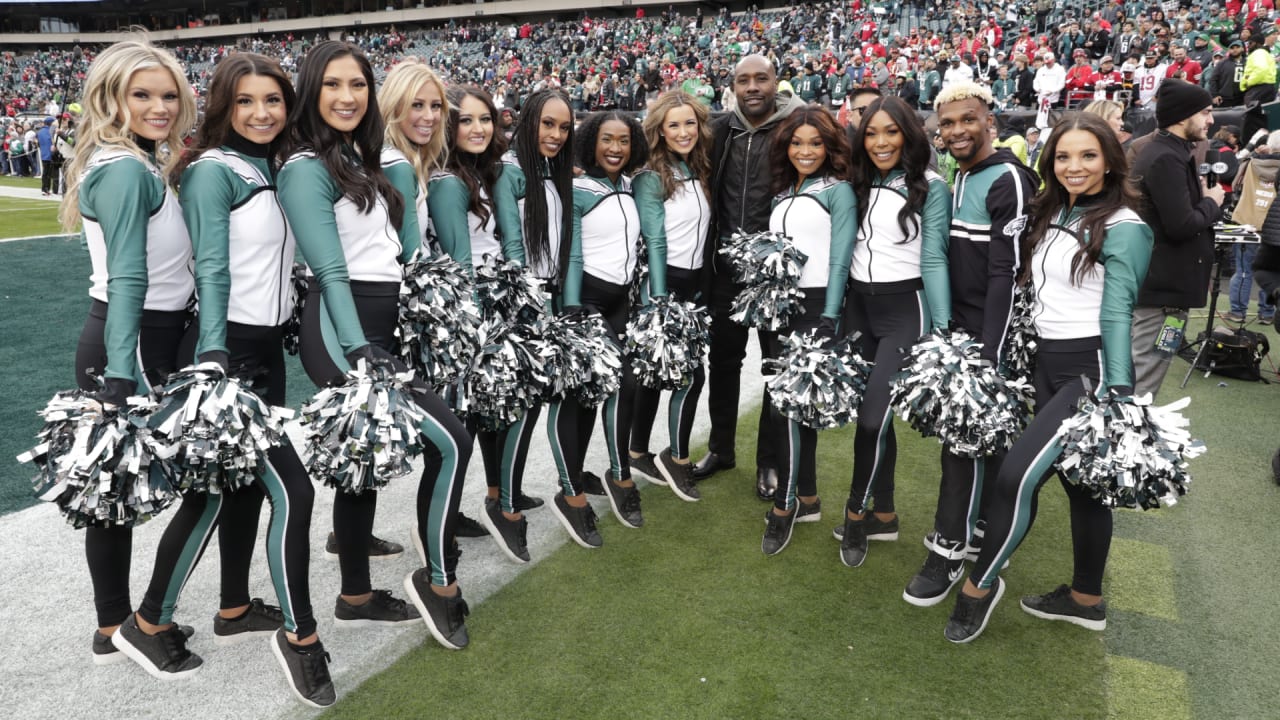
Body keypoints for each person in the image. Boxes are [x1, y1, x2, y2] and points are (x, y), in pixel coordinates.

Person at [115, 53, 334, 705]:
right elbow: (212, 267)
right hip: (222, 352)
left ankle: (219, 609)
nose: (262, 113)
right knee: (291, 491)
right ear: (222, 107)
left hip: (262, 349)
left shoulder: (279, 166)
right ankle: (301, 639)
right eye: (245, 102)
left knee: (225, 490)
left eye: (273, 100)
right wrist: (213, 356)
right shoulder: (213, 171)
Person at [278, 41, 473, 649]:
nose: (347, 96)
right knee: (452, 442)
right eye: (333, 85)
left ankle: (355, 596)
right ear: (312, 91)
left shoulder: (355, 159)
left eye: (357, 85)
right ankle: (439, 580)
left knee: (362, 463)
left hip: (377, 321)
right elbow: (330, 271)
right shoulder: (305, 166)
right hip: (342, 328)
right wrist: (360, 348)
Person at [944, 112, 1153, 643]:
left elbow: (1117, 313)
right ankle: (1086, 599)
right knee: (1082, 488)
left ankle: (979, 587)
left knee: (1016, 477)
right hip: (1044, 363)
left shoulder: (1125, 227)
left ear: (1110, 160)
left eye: (1087, 156)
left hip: (1089, 373)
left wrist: (1118, 393)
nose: (1074, 166)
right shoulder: (1055, 212)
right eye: (1063, 156)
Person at [57, 37, 198, 670]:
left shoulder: (140, 164)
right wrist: (123, 374)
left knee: (118, 488)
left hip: (145, 334)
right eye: (142, 94)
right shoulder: (121, 169)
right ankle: (121, 622)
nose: (160, 106)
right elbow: (127, 280)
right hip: (130, 338)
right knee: (120, 486)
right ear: (110, 98)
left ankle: (115, 624)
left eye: (169, 94)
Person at [921, 82, 1037, 607]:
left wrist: (989, 353)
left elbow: (1004, 274)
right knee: (978, 442)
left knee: (963, 443)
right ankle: (981, 531)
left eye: (968, 120)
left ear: (990, 120)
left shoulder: (1007, 176)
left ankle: (948, 549)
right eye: (947, 124)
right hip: (968, 327)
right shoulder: (961, 173)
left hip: (993, 332)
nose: (958, 131)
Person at [836, 96, 951, 573]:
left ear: (909, 133)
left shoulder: (932, 187)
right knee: (872, 420)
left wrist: (941, 332)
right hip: (858, 309)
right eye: (870, 133)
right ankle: (885, 512)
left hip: (907, 310)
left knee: (871, 422)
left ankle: (856, 514)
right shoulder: (856, 183)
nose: (880, 142)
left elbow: (935, 259)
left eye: (890, 131)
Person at [424, 85, 538, 563]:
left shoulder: (486, 173)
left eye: (485, 119)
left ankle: (494, 496)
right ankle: (445, 521)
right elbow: (460, 263)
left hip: (499, 301)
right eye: (465, 120)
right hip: (470, 313)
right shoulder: (449, 181)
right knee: (465, 418)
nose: (478, 128)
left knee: (500, 407)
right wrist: (480, 329)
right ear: (448, 128)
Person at [694, 54, 802, 502]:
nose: (753, 87)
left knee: (776, 370)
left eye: (761, 78)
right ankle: (721, 449)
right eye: (744, 80)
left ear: (777, 82)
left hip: (775, 276)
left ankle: (769, 463)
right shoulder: (718, 129)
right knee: (722, 364)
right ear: (732, 86)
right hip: (724, 270)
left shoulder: (797, 126)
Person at [757, 104, 856, 556]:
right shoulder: (782, 192)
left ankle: (786, 505)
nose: (805, 150)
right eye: (797, 143)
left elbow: (839, 257)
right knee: (786, 406)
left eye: (816, 143)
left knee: (791, 411)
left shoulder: (838, 191)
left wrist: (831, 314)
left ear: (831, 146)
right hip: (782, 309)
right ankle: (808, 498)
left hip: (818, 308)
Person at [548, 110, 649, 546]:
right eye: (607, 139)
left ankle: (578, 474)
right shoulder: (579, 188)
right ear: (591, 142)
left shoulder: (627, 184)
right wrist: (571, 305)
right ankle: (586, 489)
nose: (615, 148)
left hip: (619, 302)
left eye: (624, 141)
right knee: (608, 386)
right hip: (584, 300)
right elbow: (568, 251)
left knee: (592, 396)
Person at [491, 87, 576, 517]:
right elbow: (512, 243)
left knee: (528, 402)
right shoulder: (510, 171)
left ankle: (508, 490)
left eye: (564, 127)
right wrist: (531, 308)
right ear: (527, 122)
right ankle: (501, 500)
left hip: (547, 296)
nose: (557, 134)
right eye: (548, 124)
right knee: (517, 406)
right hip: (522, 302)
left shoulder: (549, 169)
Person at [628, 91, 711, 503]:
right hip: (664, 286)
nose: (683, 132)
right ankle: (676, 460)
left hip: (694, 285)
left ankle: (637, 452)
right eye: (673, 125)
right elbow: (655, 241)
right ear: (659, 130)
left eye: (690, 123)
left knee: (663, 376)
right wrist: (660, 301)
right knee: (689, 377)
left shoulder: (696, 168)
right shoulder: (650, 175)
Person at [1130, 79, 1223, 399]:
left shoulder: (1169, 152)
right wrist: (1212, 201)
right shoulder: (1165, 156)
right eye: (1206, 112)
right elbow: (1181, 225)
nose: (1211, 120)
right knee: (1142, 380)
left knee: (1145, 374)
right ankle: (1124, 442)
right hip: (1161, 292)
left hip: (1165, 289)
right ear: (1184, 116)